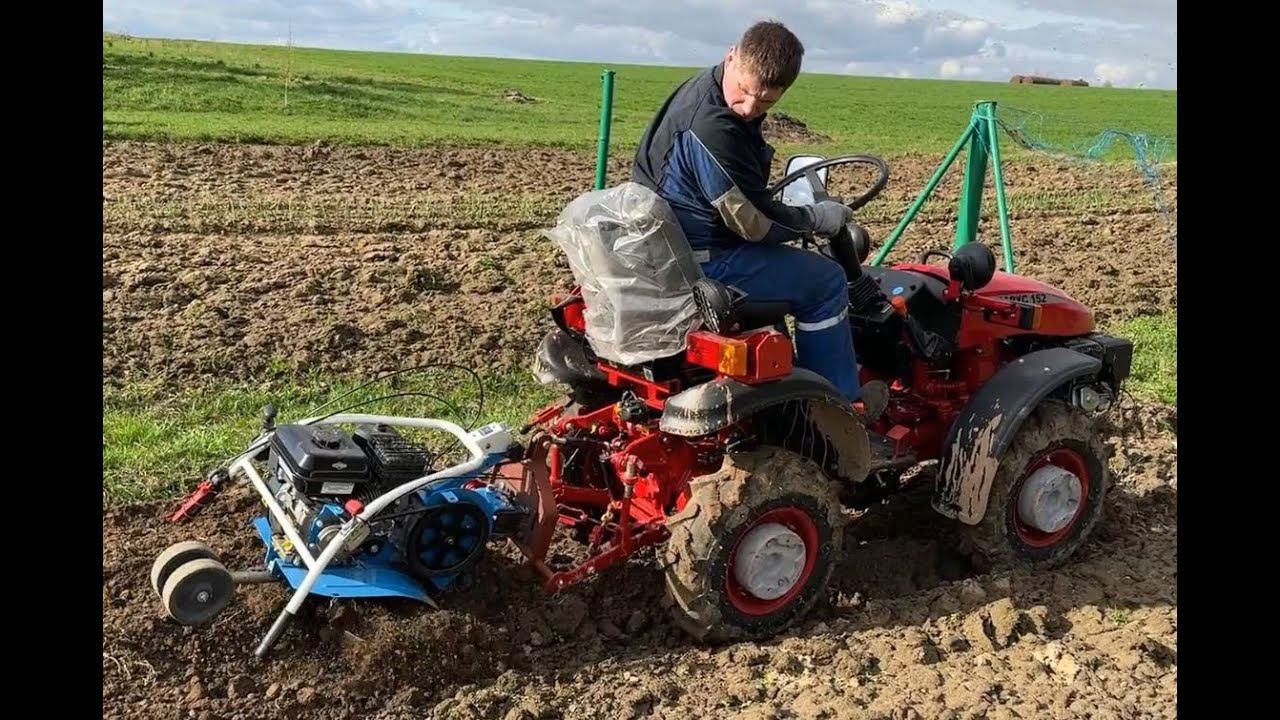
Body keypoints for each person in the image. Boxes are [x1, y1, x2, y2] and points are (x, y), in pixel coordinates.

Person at [631, 20, 877, 403]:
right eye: (744, 92)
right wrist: (815, 218)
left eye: (765, 102)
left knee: (785, 278)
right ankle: (838, 408)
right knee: (825, 281)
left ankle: (787, 388)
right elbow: (755, 222)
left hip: (668, 248)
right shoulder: (714, 128)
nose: (748, 108)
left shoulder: (705, 90)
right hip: (701, 260)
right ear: (732, 56)